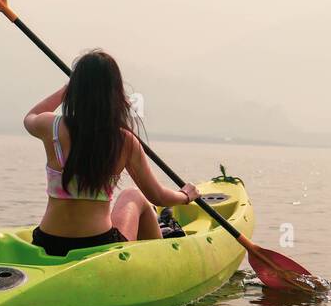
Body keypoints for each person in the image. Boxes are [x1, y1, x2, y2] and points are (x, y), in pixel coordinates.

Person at [23, 49, 200, 257]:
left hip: (47, 241)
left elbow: (30, 115)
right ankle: (162, 260)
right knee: (133, 195)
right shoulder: (124, 141)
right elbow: (158, 196)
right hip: (98, 246)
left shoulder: (50, 126)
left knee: (132, 197)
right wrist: (185, 195)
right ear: (114, 92)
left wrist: (68, 87)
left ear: (76, 89)